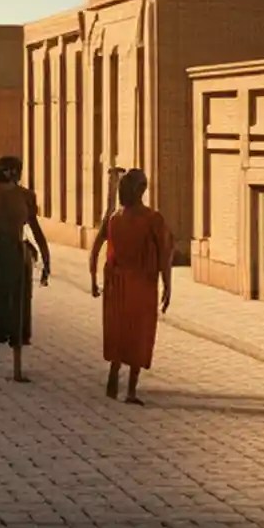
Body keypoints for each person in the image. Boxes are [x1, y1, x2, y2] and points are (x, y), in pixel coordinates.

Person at [88, 169, 174, 405]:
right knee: (138, 333)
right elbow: (165, 253)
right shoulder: (152, 219)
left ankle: (113, 376)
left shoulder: (114, 218)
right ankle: (131, 391)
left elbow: (95, 249)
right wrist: (168, 284)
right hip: (141, 284)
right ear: (141, 190)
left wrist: (93, 278)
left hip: (115, 284)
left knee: (118, 332)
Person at [0, 156, 51, 383]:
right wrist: (46, 259)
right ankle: (16, 368)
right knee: (17, 308)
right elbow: (36, 229)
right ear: (17, 173)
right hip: (15, 258)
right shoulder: (25, 197)